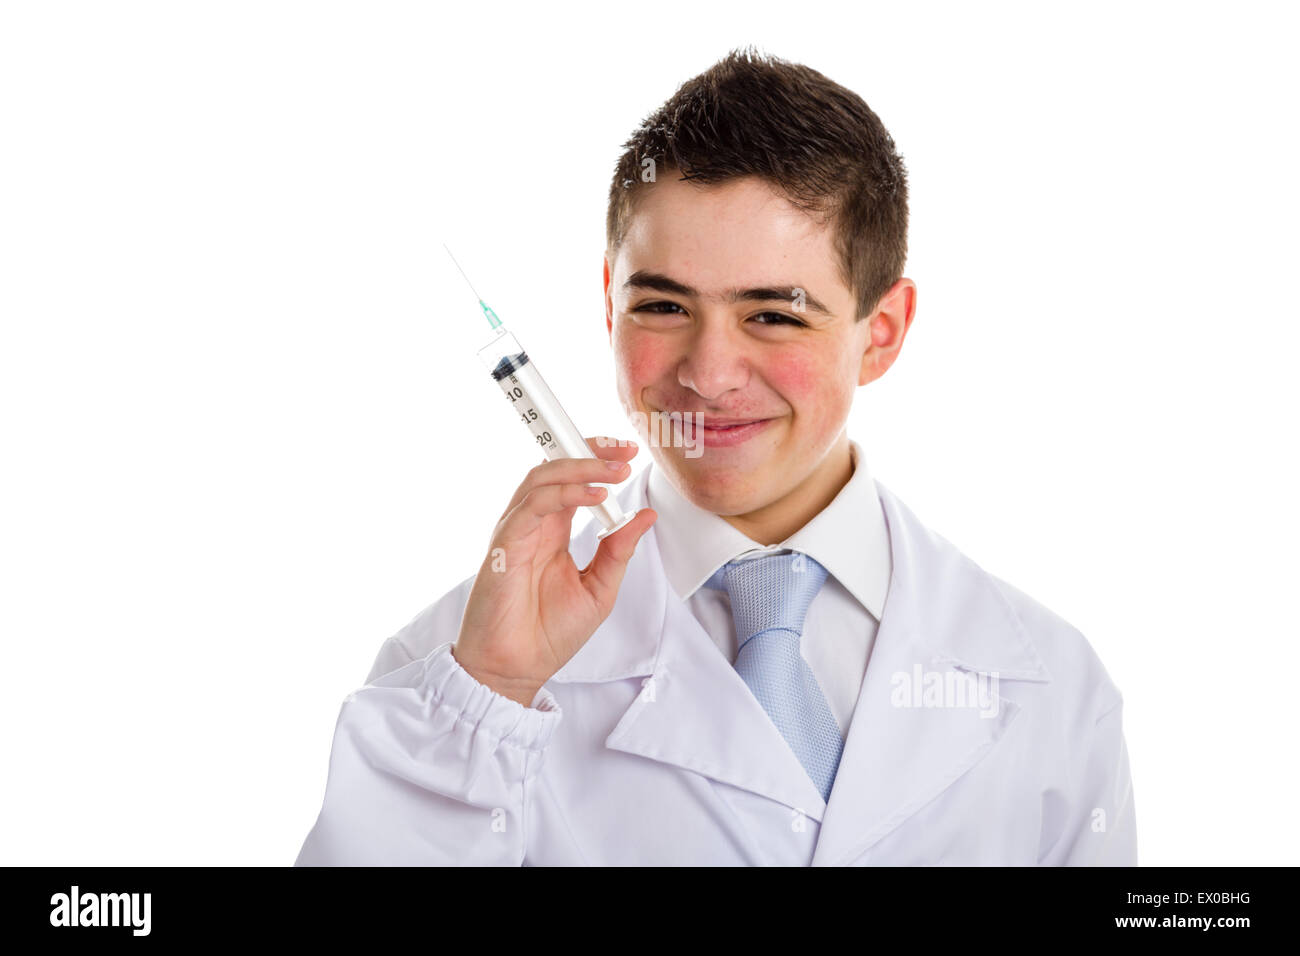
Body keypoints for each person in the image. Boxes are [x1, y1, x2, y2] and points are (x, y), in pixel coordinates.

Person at [295, 47, 1137, 866]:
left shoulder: (1052, 687)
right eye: (663, 305)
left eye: (773, 314)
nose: (707, 375)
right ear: (608, 301)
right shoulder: (453, 674)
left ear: (880, 333)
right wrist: (486, 701)